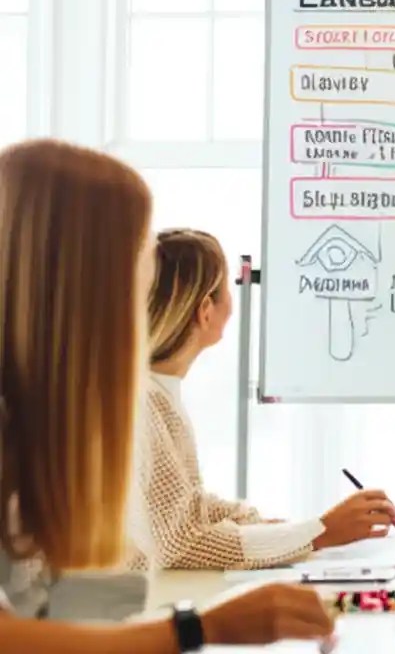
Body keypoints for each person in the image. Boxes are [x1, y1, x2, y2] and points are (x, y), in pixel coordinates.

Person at [0, 139, 333, 651]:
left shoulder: (46, 420)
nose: (150, 279)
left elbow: (53, 606)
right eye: (140, 253)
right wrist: (198, 628)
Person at [127, 228, 395, 571]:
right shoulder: (145, 403)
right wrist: (319, 532)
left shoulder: (156, 393)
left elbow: (189, 507)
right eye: (228, 288)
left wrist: (279, 530)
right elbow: (180, 543)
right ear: (205, 310)